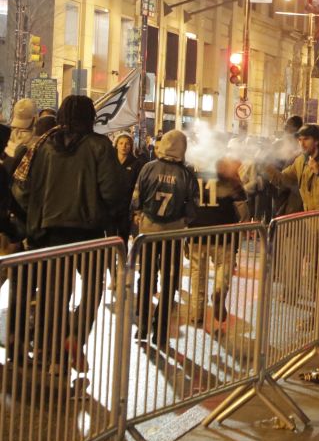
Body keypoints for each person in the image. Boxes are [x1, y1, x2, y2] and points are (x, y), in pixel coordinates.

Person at [13, 96, 125, 371]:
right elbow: (112, 191)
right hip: (89, 232)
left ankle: (51, 355)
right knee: (93, 289)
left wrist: (34, 217)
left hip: (49, 232)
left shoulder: (42, 146)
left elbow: (21, 189)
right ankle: (76, 334)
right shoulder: (100, 146)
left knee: (54, 294)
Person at [132, 129, 199, 347]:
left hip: (149, 231)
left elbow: (136, 198)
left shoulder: (148, 168)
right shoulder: (187, 173)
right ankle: (159, 329)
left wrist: (140, 215)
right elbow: (193, 205)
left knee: (146, 276)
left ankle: (142, 323)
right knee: (170, 279)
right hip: (173, 232)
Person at [187, 156, 247, 331]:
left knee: (198, 272)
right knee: (224, 266)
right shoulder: (229, 177)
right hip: (223, 232)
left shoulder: (192, 176)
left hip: (197, 231)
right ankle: (220, 290)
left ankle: (197, 312)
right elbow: (243, 208)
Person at [265, 124, 319, 212]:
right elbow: (283, 179)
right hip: (310, 217)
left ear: (316, 141)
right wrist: (268, 168)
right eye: (300, 140)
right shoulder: (301, 161)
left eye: (306, 139)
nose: (302, 144)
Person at [114, 133, 145, 241]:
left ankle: (123, 258)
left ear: (131, 146)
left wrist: (136, 210)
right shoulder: (109, 161)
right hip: (110, 207)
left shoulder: (136, 163)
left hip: (126, 208)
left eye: (127, 144)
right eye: (121, 143)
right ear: (116, 145)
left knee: (123, 238)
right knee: (110, 239)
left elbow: (138, 186)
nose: (124, 146)